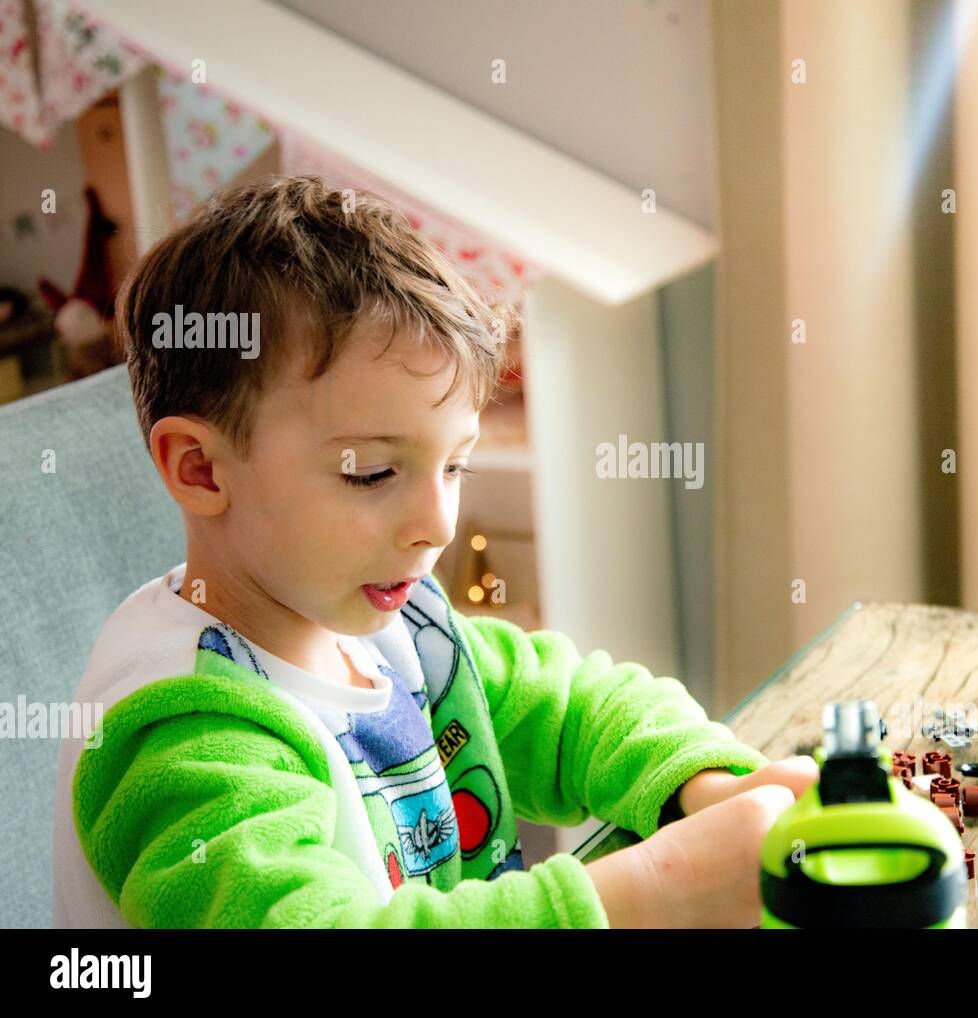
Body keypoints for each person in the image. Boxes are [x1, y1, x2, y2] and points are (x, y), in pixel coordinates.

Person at [53, 175, 818, 928]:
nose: (438, 523)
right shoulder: (183, 738)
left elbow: (568, 708)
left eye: (455, 465)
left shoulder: (390, 624)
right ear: (201, 468)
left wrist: (702, 780)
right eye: (374, 472)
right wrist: (655, 888)